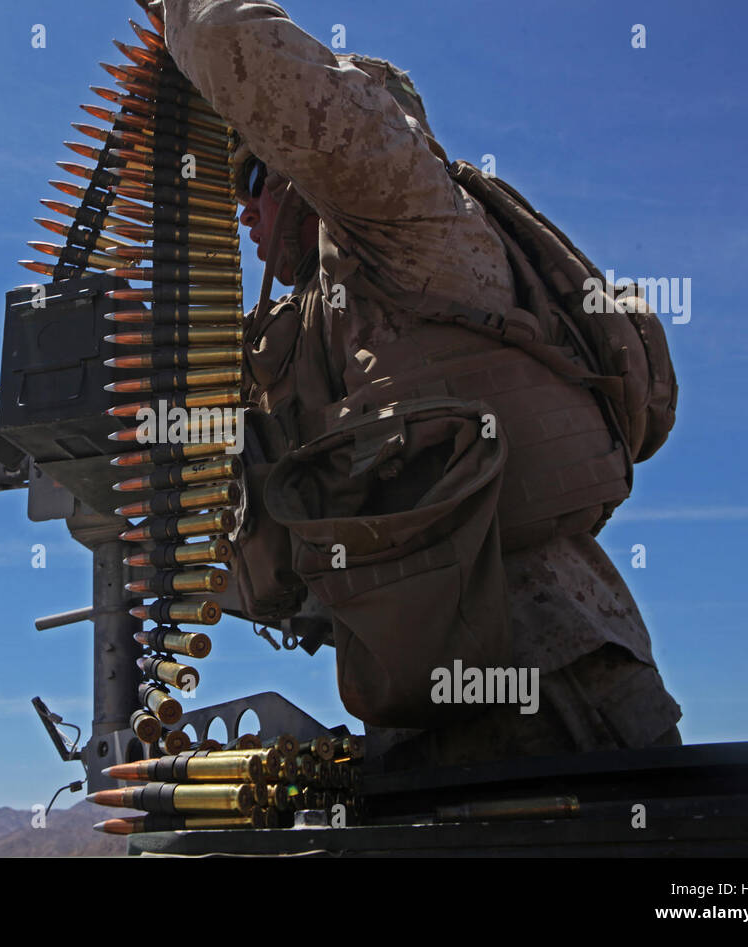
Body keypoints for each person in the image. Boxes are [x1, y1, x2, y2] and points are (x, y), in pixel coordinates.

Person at [154, 0, 683, 765]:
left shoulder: (417, 219)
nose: (245, 209)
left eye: (258, 175)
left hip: (547, 668)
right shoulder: (310, 330)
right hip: (419, 705)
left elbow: (255, 63)